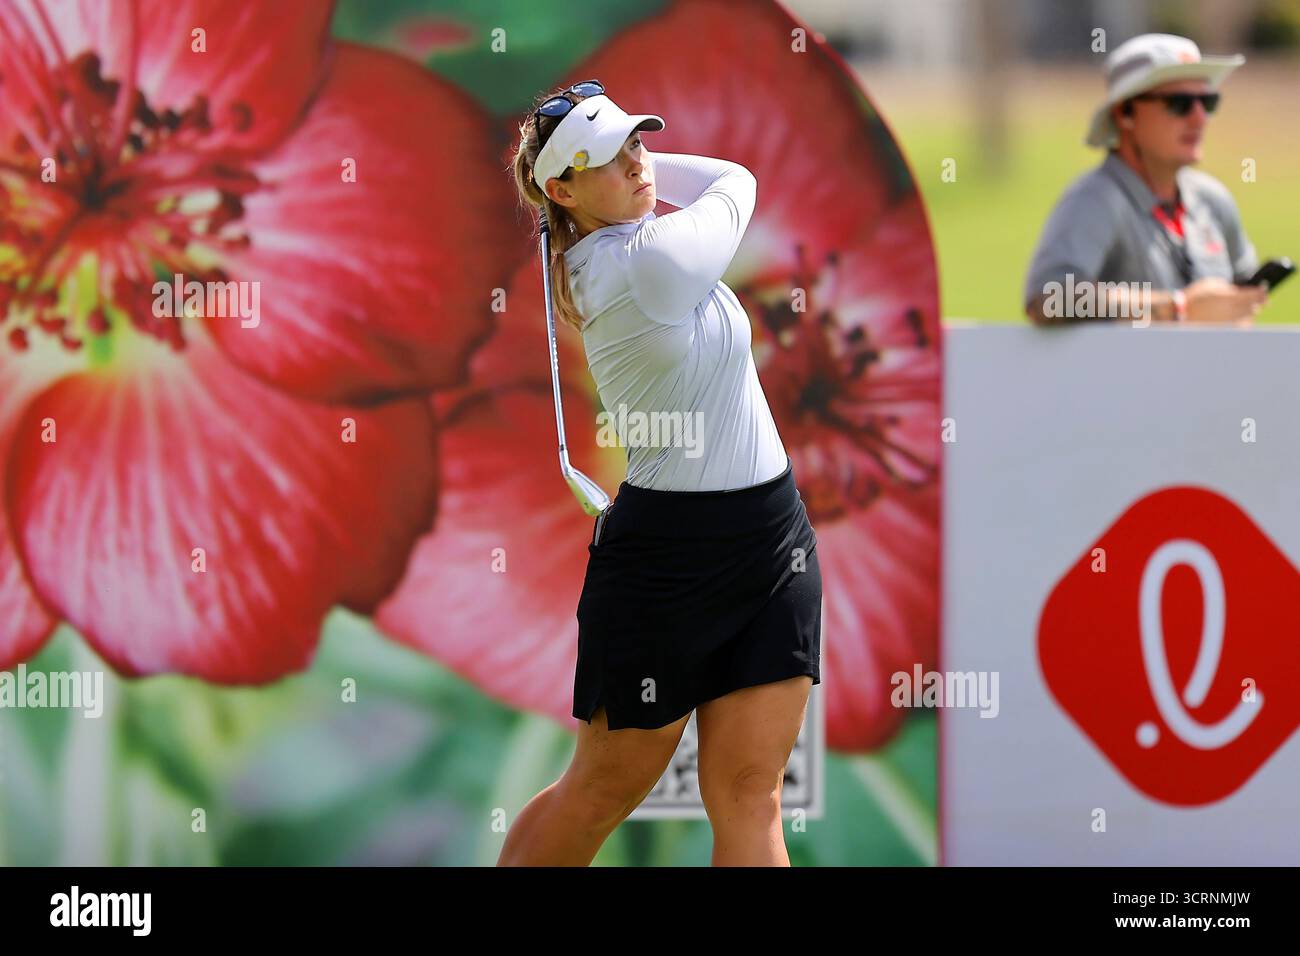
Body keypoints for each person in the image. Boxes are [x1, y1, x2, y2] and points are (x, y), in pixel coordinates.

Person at [501, 80, 822, 866]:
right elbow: (735, 182)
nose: (639, 166)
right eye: (608, 159)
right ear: (562, 189)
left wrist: (617, 170)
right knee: (603, 790)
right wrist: (621, 175)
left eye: (639, 144)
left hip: (772, 540)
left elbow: (712, 183)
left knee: (752, 793)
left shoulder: (626, 238)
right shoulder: (643, 264)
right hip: (666, 564)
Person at [1024, 33, 1268, 326]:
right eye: (1179, 103)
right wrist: (1177, 309)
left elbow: (1243, 302)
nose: (1199, 118)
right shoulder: (1095, 199)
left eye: (1208, 101)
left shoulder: (1214, 199)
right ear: (1125, 114)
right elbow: (1048, 298)